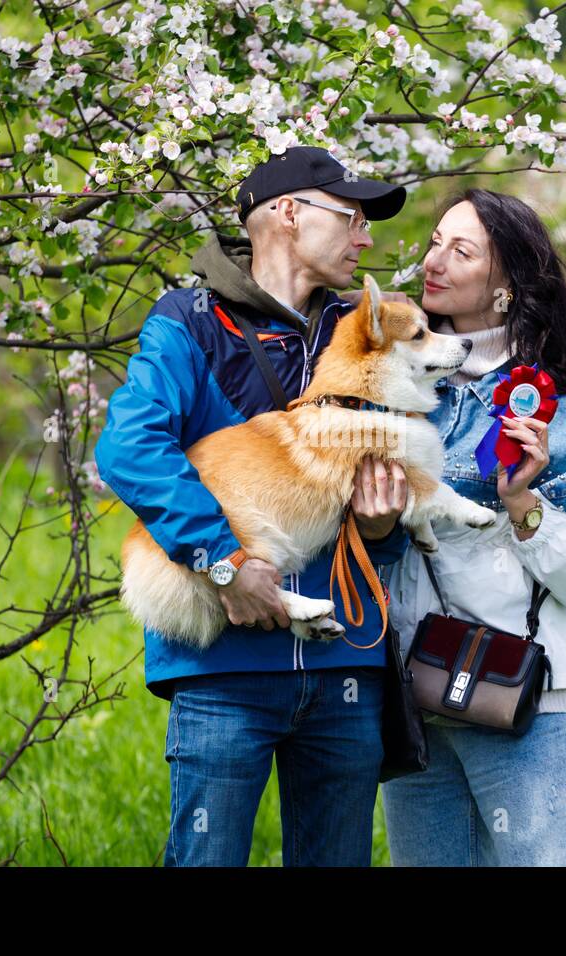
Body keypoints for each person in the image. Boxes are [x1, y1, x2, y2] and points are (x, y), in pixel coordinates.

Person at [95, 146, 411, 866]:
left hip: (345, 667)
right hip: (223, 669)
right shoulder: (188, 320)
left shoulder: (365, 330)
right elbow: (129, 449)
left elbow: (391, 494)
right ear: (288, 213)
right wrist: (226, 564)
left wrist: (381, 528)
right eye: (352, 218)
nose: (366, 238)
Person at [380, 188, 566, 866]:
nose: (434, 261)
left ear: (510, 288)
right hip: (416, 698)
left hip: (525, 699)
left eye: (462, 251)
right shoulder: (396, 393)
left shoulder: (552, 408)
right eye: (434, 241)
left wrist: (522, 505)